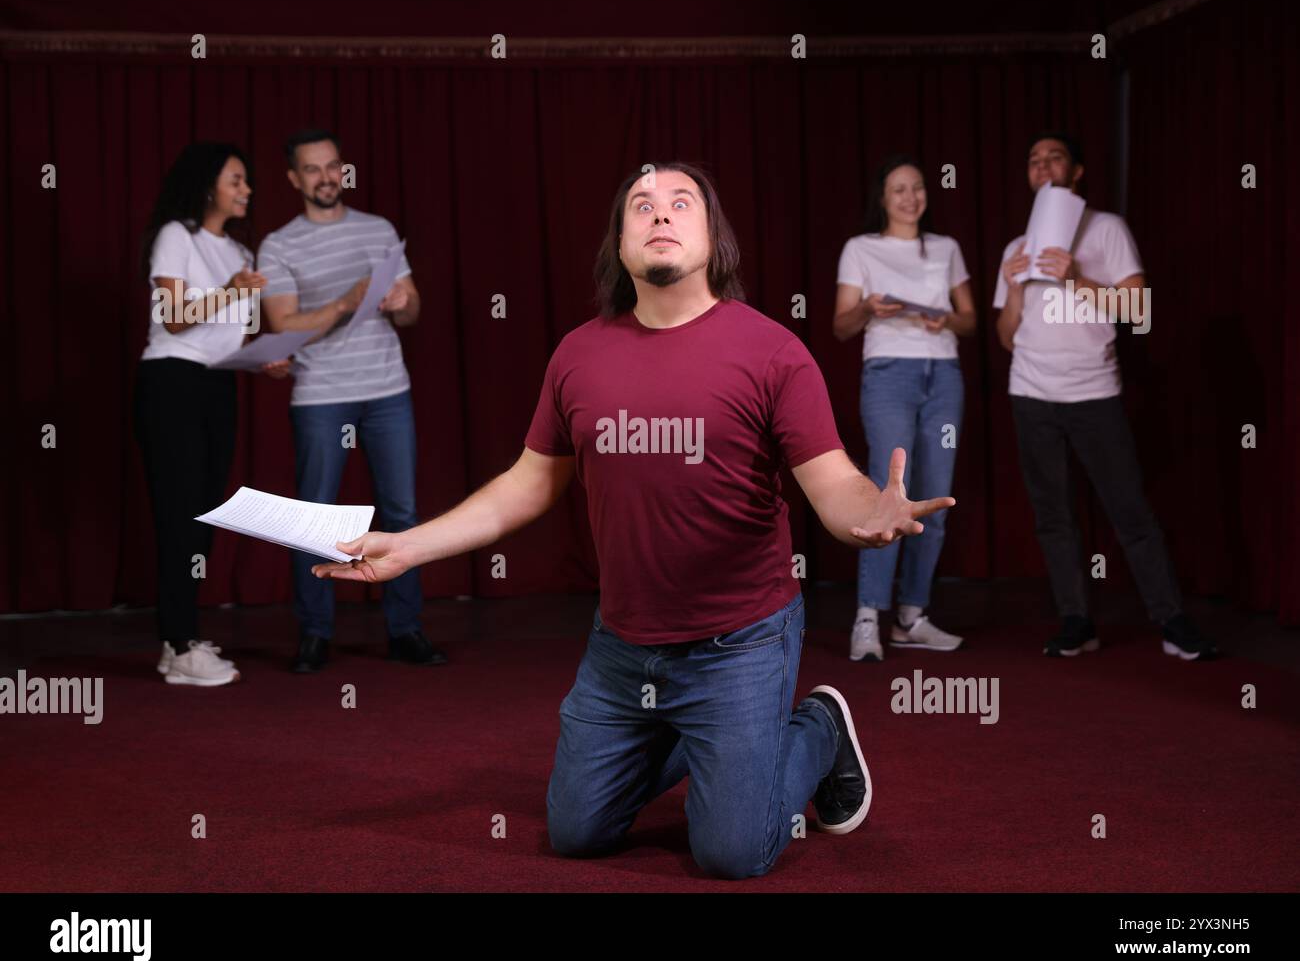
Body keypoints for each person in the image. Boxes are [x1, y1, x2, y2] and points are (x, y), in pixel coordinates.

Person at [312, 162, 955, 879]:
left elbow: (834, 483)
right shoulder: (579, 355)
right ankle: (707, 738)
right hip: (623, 648)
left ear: (714, 238)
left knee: (731, 852)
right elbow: (525, 485)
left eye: (681, 203)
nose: (660, 215)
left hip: (737, 643)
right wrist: (407, 546)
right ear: (620, 246)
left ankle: (818, 726)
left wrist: (875, 510)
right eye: (641, 207)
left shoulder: (772, 352)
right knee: (577, 831)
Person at [993, 131, 1217, 660]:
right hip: (1031, 392)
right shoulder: (1015, 248)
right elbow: (1006, 337)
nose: (1043, 166)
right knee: (1053, 514)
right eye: (1033, 159)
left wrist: (1076, 278)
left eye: (1055, 157)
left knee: (1129, 509)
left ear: (1077, 172)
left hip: (1094, 392)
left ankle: (1172, 620)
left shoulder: (1107, 229)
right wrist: (1019, 286)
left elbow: (1138, 311)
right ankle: (1076, 620)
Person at [257, 128, 444, 673]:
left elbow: (411, 312)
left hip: (388, 390)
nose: (325, 177)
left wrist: (401, 299)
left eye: (333, 166)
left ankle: (406, 630)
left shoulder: (378, 229)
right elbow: (284, 328)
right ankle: (314, 634)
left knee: (403, 514)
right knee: (315, 518)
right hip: (321, 396)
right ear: (294, 179)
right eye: (312, 170)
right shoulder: (279, 244)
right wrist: (349, 299)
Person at [135, 142, 290, 687]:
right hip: (172, 380)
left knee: (204, 512)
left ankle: (181, 641)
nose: (247, 190)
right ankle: (178, 643)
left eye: (247, 181)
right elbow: (174, 319)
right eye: (236, 180)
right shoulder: (179, 236)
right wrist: (229, 293)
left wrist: (261, 358)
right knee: (179, 512)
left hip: (217, 385)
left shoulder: (241, 256)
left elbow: (230, 336)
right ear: (208, 186)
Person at [833, 154, 977, 662]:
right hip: (888, 374)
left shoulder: (946, 248)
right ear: (883, 198)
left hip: (943, 377)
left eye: (917, 188)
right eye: (899, 189)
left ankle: (912, 617)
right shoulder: (861, 248)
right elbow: (842, 326)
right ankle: (869, 616)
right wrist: (870, 307)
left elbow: (970, 320)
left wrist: (947, 322)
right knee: (887, 493)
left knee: (936, 499)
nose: (910, 197)